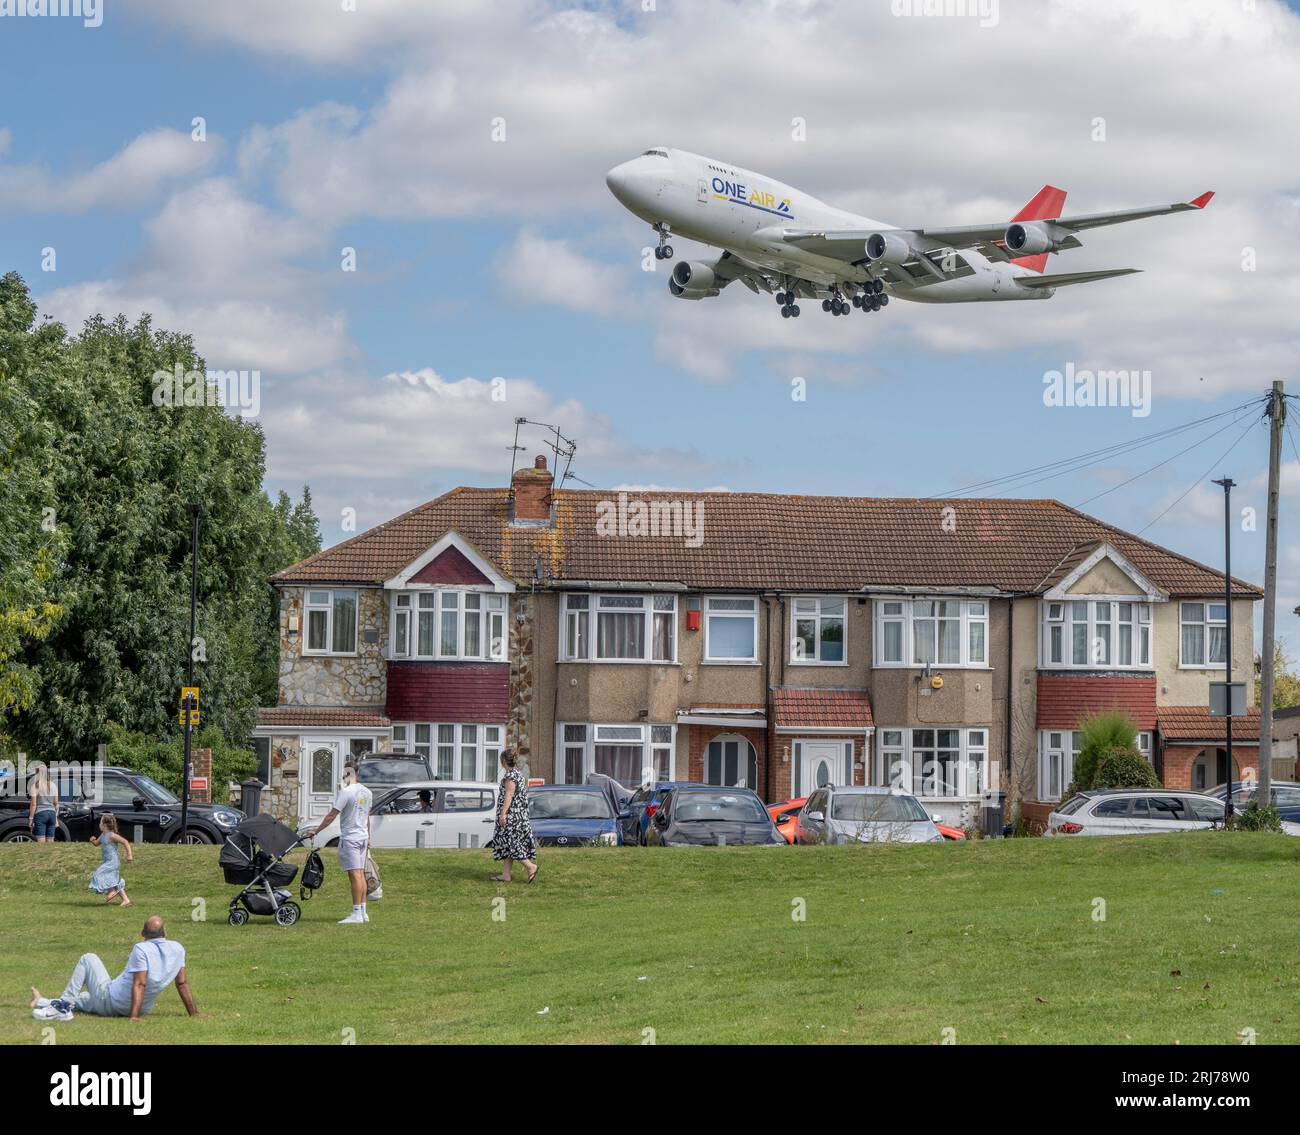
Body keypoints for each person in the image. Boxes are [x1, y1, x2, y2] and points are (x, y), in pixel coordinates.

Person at [30, 915, 204, 1022]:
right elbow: (182, 984)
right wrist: (193, 1013)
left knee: (88, 958)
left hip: (112, 1002)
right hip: (140, 1007)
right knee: (84, 999)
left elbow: (140, 984)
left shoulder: (141, 948)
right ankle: (42, 1001)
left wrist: (134, 1017)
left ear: (142, 934)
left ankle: (63, 1009)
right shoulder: (178, 948)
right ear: (165, 933)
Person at [308, 761, 373, 924]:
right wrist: (369, 837)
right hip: (363, 837)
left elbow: (331, 815)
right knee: (360, 874)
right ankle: (363, 912)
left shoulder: (346, 792)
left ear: (348, 773)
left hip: (351, 838)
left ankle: (357, 914)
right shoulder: (367, 792)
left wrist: (316, 831)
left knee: (355, 875)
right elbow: (367, 817)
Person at [490, 750, 537, 883]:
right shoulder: (518, 774)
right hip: (519, 816)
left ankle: (531, 866)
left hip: (512, 817)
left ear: (504, 761)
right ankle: (506, 875)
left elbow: (509, 796)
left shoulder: (510, 777)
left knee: (512, 844)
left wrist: (503, 814)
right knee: (508, 844)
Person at [89, 814, 133, 906]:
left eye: (100, 822)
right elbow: (97, 843)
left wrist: (129, 855)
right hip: (107, 861)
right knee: (113, 880)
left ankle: (112, 890)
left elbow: (125, 842)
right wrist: (93, 840)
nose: (99, 824)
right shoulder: (103, 835)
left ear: (104, 824)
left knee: (98, 873)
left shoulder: (112, 835)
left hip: (113, 861)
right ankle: (126, 900)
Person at [28, 762, 59, 843]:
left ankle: (42, 854)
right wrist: (55, 815)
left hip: (40, 814)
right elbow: (56, 802)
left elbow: (34, 804)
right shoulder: (53, 785)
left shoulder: (35, 786)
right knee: (50, 841)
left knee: (41, 843)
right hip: (52, 814)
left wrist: (31, 819)